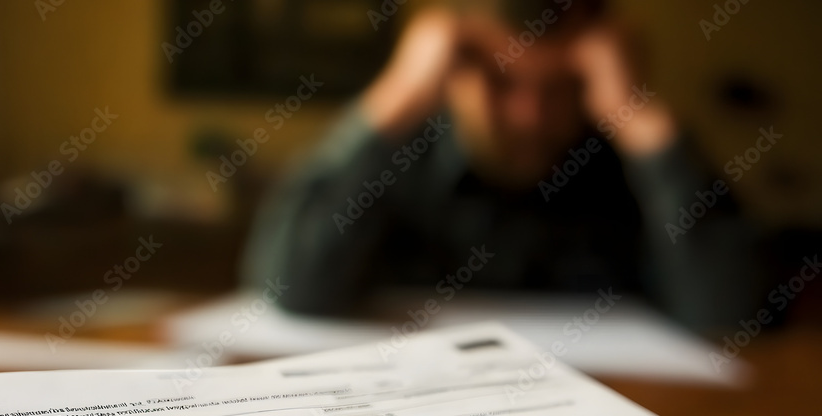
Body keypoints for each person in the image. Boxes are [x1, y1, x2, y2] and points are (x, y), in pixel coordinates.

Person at [241, 0, 765, 332]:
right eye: (501, 81)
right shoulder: (397, 158)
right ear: (449, 69)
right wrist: (395, 98)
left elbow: (731, 316)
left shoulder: (628, 166)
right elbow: (292, 288)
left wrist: (644, 121)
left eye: (559, 87)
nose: (530, 117)